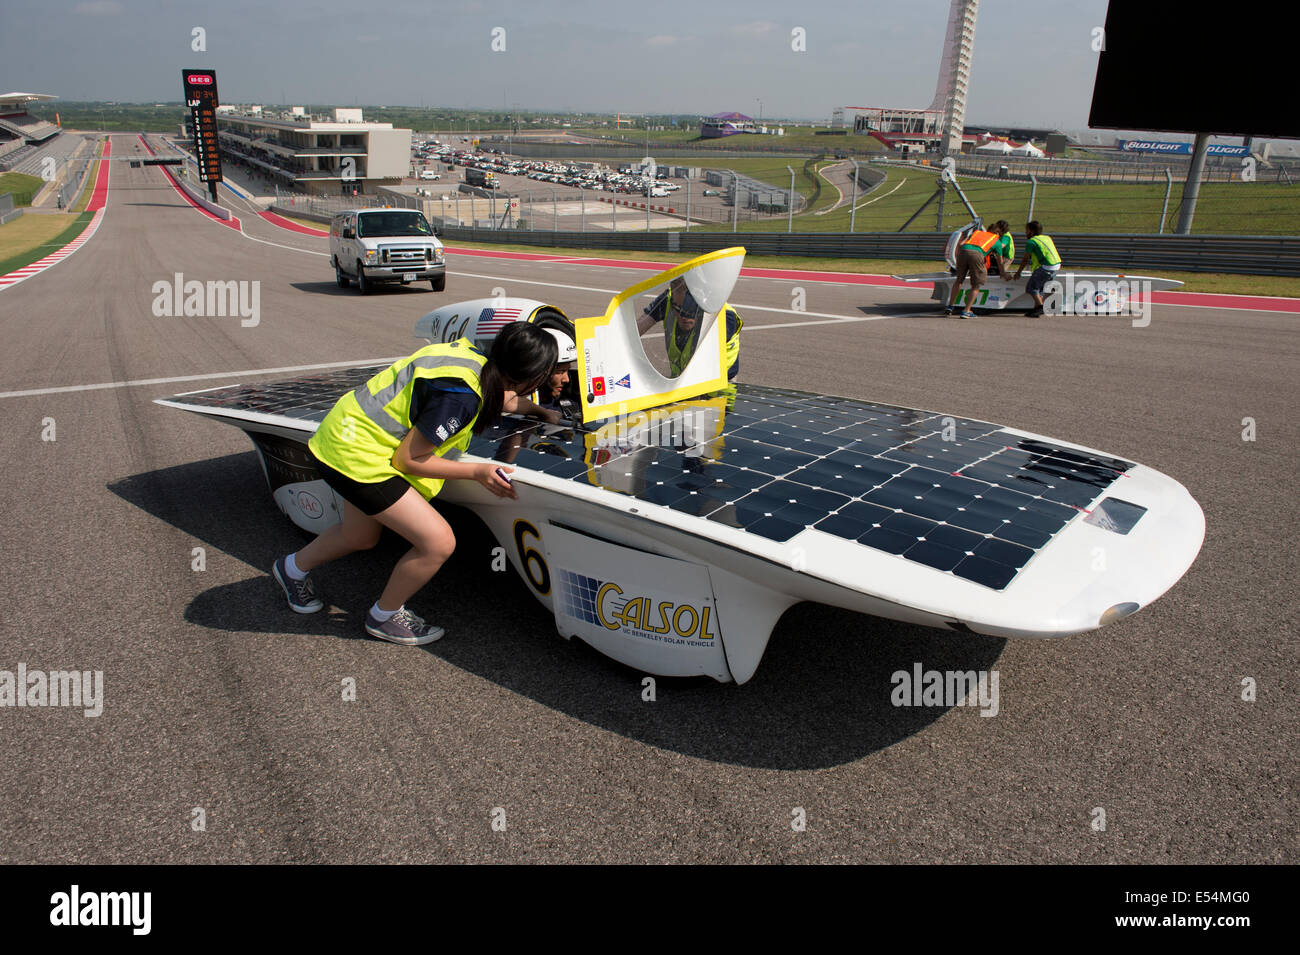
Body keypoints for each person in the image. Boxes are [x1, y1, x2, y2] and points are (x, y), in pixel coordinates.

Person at [271, 323, 558, 646]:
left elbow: (503, 399)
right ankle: (385, 616)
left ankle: (290, 570)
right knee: (437, 542)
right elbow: (408, 460)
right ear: (529, 377)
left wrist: (540, 412)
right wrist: (479, 471)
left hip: (342, 437)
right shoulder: (460, 396)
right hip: (359, 457)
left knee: (359, 536)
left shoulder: (473, 358)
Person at [637, 275, 742, 381]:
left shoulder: (724, 317)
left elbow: (702, 366)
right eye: (679, 309)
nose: (685, 317)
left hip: (720, 382)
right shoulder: (667, 299)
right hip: (680, 379)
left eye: (691, 311)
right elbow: (637, 328)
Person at [946, 223, 1001, 318]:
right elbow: (999, 260)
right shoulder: (996, 240)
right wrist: (1003, 272)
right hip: (977, 254)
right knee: (976, 285)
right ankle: (966, 311)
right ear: (998, 233)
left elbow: (961, 243)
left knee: (959, 280)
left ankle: (950, 306)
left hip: (963, 251)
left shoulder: (977, 232)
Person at [1013, 220, 1062, 317]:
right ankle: (1035, 310)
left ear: (1031, 231)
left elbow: (1025, 259)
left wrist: (1018, 272)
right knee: (1039, 289)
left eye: (1026, 230)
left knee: (1031, 288)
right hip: (1056, 265)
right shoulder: (1047, 238)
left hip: (1046, 267)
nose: (1025, 232)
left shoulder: (1031, 242)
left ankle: (1040, 307)